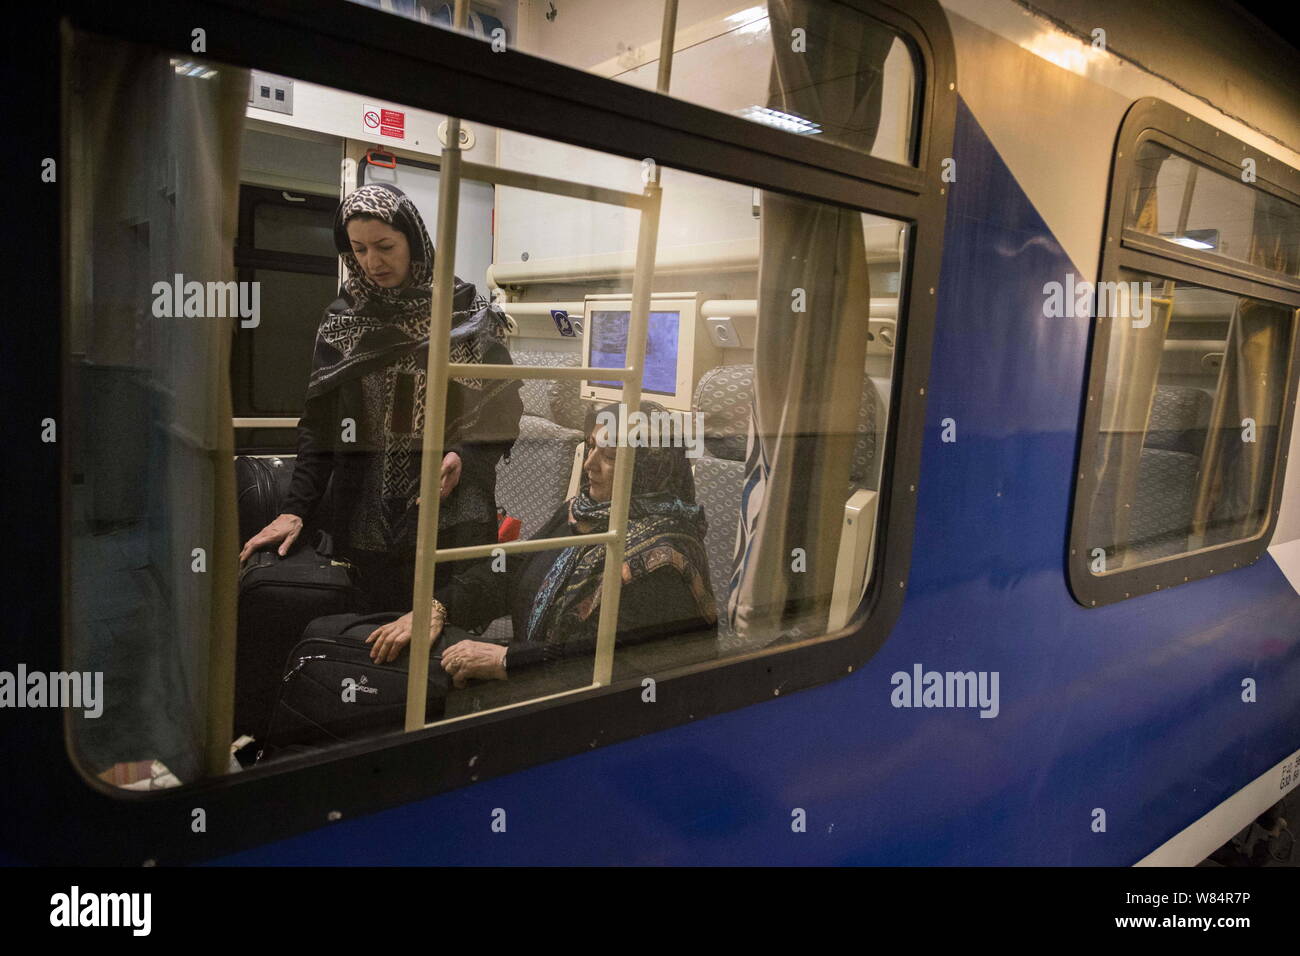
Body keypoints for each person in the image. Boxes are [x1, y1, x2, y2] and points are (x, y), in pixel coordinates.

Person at [239, 183, 522, 609]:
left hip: (451, 511)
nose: (372, 262)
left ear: (414, 240)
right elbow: (318, 427)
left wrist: (464, 454)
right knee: (372, 637)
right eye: (359, 249)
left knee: (439, 633)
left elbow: (504, 408)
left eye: (385, 246)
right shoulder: (342, 322)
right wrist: (293, 508)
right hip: (366, 518)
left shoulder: (463, 314)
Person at [363, 401, 718, 685]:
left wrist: (506, 660)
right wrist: (439, 608)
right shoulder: (582, 512)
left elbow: (615, 666)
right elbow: (511, 567)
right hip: (529, 670)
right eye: (590, 448)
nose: (589, 465)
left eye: (610, 457)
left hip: (570, 705)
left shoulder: (663, 559)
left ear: (648, 469)